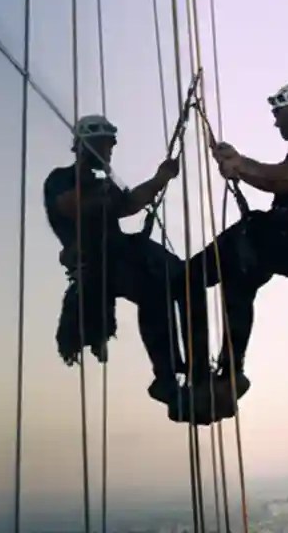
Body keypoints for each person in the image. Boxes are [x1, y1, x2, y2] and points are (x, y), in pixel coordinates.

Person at [174, 83, 288, 423]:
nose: (275, 122)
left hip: (278, 236)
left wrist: (240, 164)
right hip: (284, 242)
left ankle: (200, 376)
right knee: (237, 286)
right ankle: (228, 376)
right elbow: (278, 180)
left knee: (188, 279)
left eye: (279, 114)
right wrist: (239, 164)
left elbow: (285, 180)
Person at [44, 114, 186, 408]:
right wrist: (93, 180)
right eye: (104, 145)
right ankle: (167, 379)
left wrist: (161, 178)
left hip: (120, 256)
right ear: (85, 146)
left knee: (169, 285)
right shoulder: (61, 178)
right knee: (154, 293)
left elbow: (131, 203)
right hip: (98, 264)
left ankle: (170, 375)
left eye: (111, 146)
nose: (109, 151)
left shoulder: (102, 183)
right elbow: (71, 207)